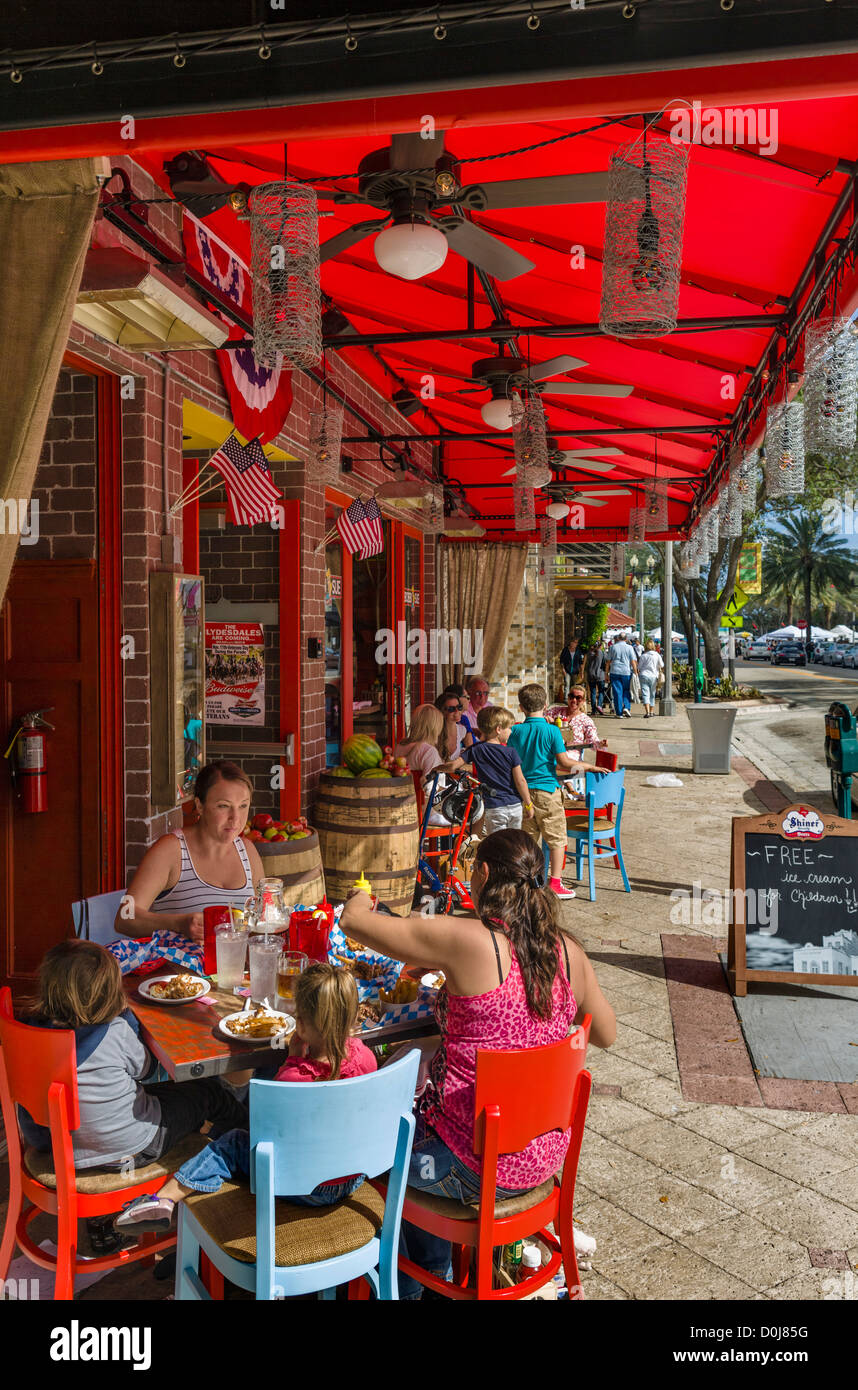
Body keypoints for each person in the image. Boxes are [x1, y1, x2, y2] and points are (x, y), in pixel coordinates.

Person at [340, 829, 616, 1299]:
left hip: (471, 1168)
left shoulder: (470, 940)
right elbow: (605, 1032)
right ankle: (439, 1273)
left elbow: (353, 924)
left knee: (370, 1149)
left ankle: (418, 1283)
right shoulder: (568, 951)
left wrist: (360, 896)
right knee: (423, 1128)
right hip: (543, 1158)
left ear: (483, 874)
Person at [19, 940, 248, 1251]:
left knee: (157, 1099)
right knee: (207, 1092)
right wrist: (127, 1018)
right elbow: (146, 1068)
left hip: (60, 1149)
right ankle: (247, 1148)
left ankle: (106, 1220)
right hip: (131, 1149)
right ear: (111, 993)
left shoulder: (28, 1034)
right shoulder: (114, 1030)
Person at [115, 964, 376, 1233]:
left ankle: (165, 1199)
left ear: (304, 1026)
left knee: (231, 1143)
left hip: (303, 1186)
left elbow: (265, 1137)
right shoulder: (366, 1059)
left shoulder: (293, 1078)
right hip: (351, 1178)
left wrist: (294, 1059)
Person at [116, 760, 265, 942]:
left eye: (243, 806)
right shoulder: (171, 850)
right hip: (181, 968)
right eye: (223, 806)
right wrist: (179, 924)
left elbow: (263, 918)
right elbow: (124, 917)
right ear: (200, 806)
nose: (235, 818)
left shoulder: (248, 851)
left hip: (236, 967)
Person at [507, 684, 580, 900]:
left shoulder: (517, 731)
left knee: (528, 839)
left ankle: (528, 880)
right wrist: (589, 766)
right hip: (548, 790)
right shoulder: (552, 730)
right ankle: (555, 883)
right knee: (556, 838)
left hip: (524, 793)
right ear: (546, 706)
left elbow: (511, 760)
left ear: (521, 707)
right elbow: (564, 761)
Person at [445, 705, 534, 835]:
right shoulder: (511, 752)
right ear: (498, 729)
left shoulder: (475, 749)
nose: (511, 731)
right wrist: (528, 804)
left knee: (497, 843)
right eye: (509, 728)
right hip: (514, 805)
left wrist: (437, 767)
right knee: (514, 842)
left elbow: (453, 766)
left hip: (494, 807)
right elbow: (520, 781)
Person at [395, 704, 449, 824]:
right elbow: (430, 787)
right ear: (434, 727)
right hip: (426, 812)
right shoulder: (428, 751)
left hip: (402, 808)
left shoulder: (400, 746)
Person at [606, 632, 638, 719]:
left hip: (615, 671)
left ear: (618, 638)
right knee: (626, 690)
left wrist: (606, 674)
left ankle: (619, 712)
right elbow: (632, 661)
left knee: (617, 692)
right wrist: (635, 672)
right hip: (626, 672)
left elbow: (608, 661)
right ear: (626, 639)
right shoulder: (630, 648)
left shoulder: (613, 647)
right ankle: (627, 707)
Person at [434, 691, 474, 758]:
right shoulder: (434, 732)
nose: (457, 711)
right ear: (441, 711)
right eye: (451, 709)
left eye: (459, 707)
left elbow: (470, 749)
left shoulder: (462, 730)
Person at [638, 640, 665, 719]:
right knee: (652, 694)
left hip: (644, 675)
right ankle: (652, 711)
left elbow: (639, 667)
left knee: (645, 694)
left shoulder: (643, 655)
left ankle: (647, 712)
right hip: (654, 676)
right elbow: (662, 665)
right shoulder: (657, 655)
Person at [586, 642, 607, 715]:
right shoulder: (602, 653)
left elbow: (587, 664)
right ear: (599, 646)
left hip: (590, 675)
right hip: (600, 675)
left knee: (593, 692)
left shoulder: (589, 653)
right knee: (601, 691)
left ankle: (593, 710)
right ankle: (599, 705)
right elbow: (604, 663)